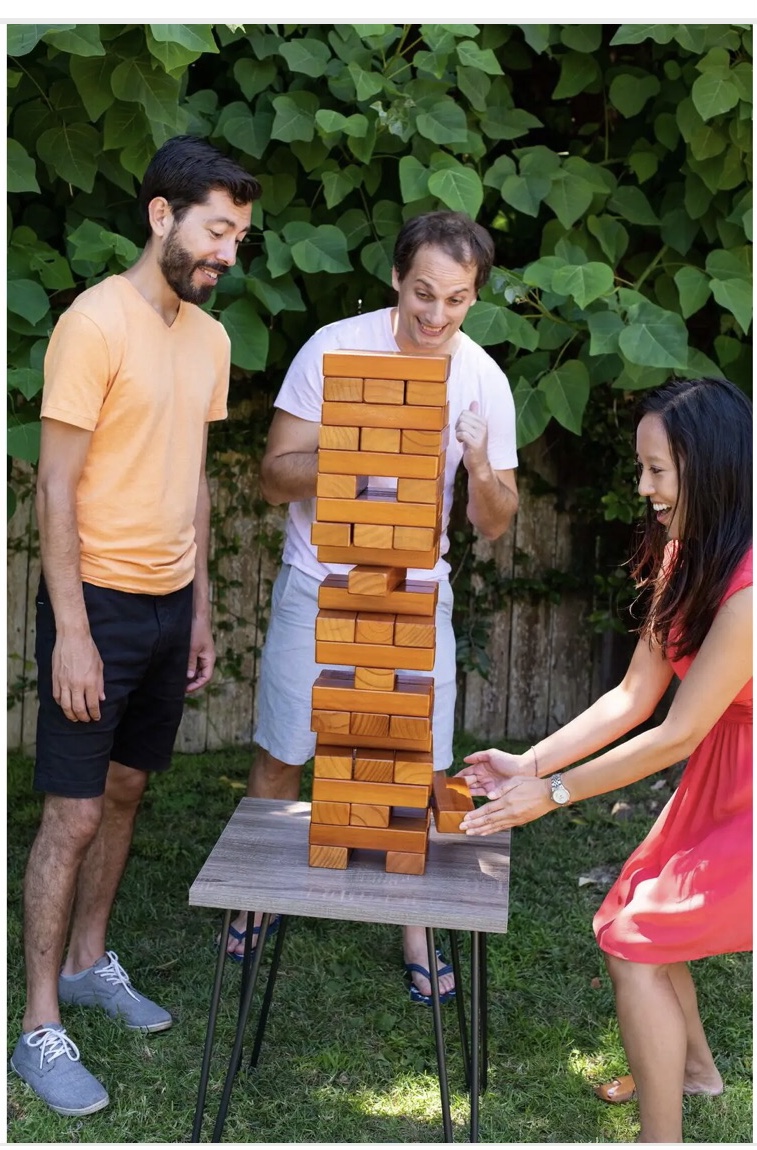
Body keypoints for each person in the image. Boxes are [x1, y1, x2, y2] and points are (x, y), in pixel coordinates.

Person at [10, 136, 260, 1117]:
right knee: (70, 814)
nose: (227, 253)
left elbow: (189, 477)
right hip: (98, 606)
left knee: (124, 792)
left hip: (166, 606)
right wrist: (72, 631)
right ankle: (37, 1025)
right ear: (161, 215)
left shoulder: (208, 339)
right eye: (215, 230)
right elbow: (55, 488)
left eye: (238, 236)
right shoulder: (91, 324)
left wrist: (198, 605)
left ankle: (86, 961)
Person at [222, 211, 519, 1003]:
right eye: (423, 293)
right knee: (285, 748)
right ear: (396, 279)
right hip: (319, 584)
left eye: (456, 300)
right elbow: (274, 475)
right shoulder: (332, 348)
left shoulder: (483, 378)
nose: (435, 315)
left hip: (418, 593)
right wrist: (359, 440)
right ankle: (254, 902)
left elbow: (494, 520)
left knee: (424, 763)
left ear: (473, 297)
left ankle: (415, 930)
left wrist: (482, 464)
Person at [457, 377, 752, 1144]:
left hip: (740, 781)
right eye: (640, 469)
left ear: (711, 468)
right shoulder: (688, 552)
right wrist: (529, 764)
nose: (643, 488)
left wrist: (550, 794)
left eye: (656, 471)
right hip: (724, 770)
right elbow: (631, 695)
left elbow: (677, 732)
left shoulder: (749, 589)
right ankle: (694, 1073)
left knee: (635, 944)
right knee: (638, 911)